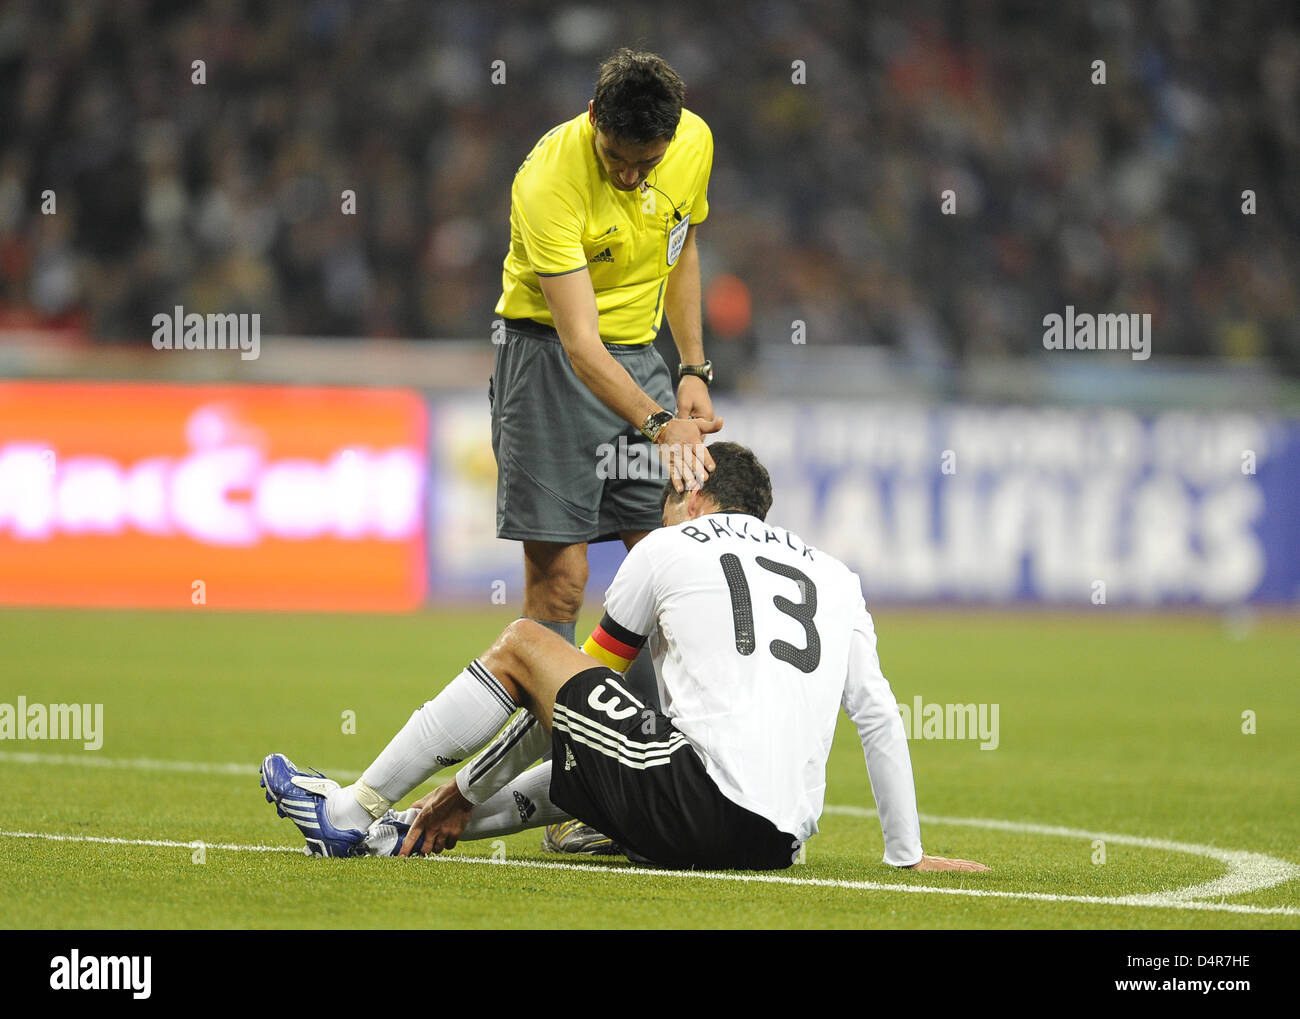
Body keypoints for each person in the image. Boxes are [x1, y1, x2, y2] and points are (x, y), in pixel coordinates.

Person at [260, 444, 989, 874]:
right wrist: (908, 854)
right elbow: (879, 718)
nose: (661, 511)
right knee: (615, 745)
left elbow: (564, 700)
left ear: (693, 493)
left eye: (671, 496)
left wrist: (464, 785)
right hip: (775, 841)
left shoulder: (671, 547)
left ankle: (353, 812)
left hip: (697, 809)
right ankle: (400, 835)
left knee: (525, 646)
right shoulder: (835, 574)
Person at [488, 47, 721, 853]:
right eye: (617, 161)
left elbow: (681, 246)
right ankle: (571, 792)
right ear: (593, 120)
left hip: (647, 362)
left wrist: (690, 369)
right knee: (561, 584)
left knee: (666, 567)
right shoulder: (546, 180)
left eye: (643, 164)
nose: (630, 178)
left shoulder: (692, 143)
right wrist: (660, 423)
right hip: (550, 365)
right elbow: (581, 343)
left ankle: (655, 785)